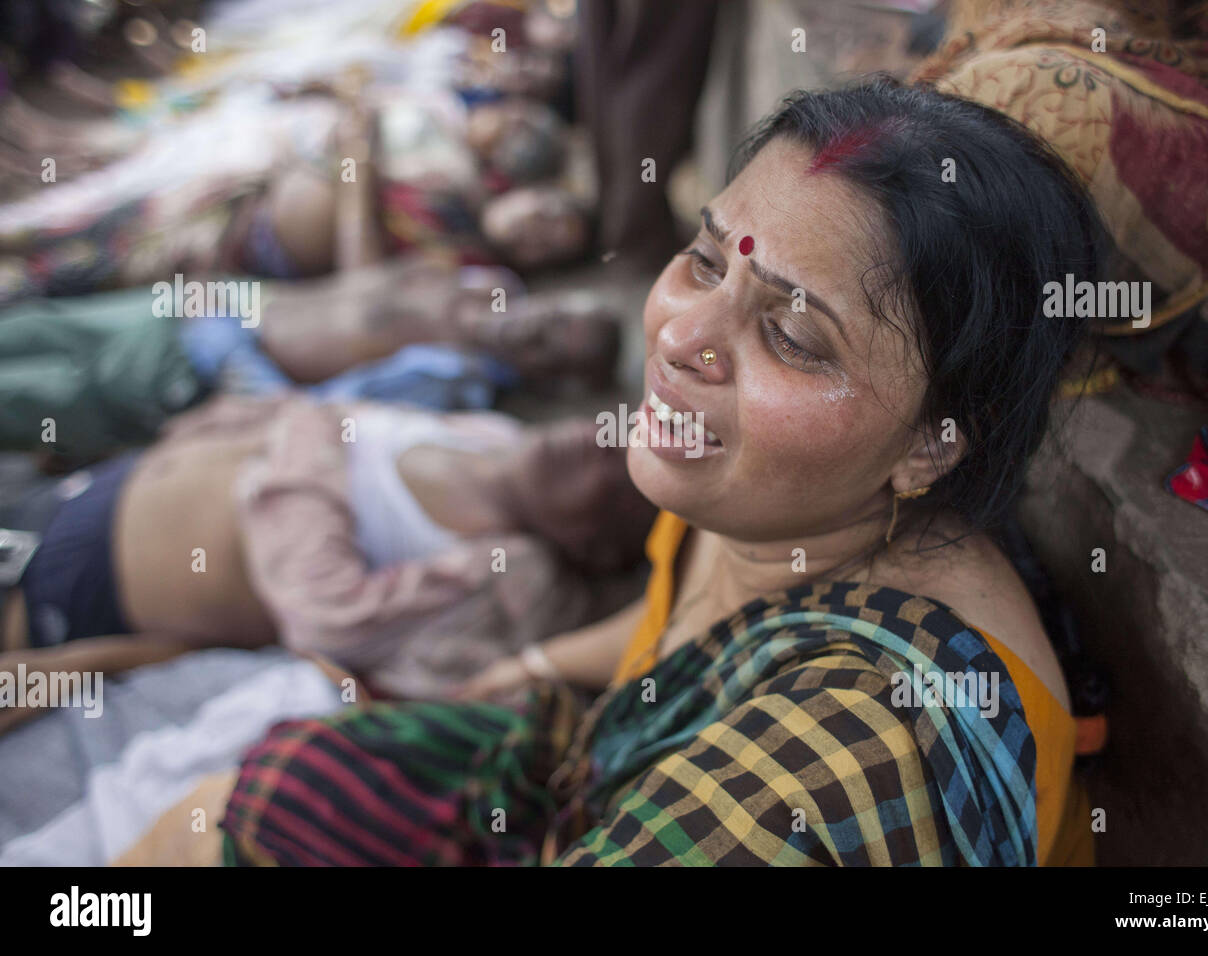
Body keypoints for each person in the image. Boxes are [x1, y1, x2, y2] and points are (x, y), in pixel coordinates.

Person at [221, 76, 1106, 866]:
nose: (680, 339)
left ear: (933, 443)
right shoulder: (765, 497)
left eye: (793, 336)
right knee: (287, 780)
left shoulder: (853, 752)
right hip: (587, 766)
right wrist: (529, 665)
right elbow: (677, 620)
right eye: (705, 263)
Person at [0, 393, 655, 701]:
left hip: (71, 597)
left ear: (592, 547)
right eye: (617, 431)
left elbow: (324, 616)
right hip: (70, 498)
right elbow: (298, 410)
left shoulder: (489, 568)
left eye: (615, 479)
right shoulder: (488, 428)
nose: (595, 442)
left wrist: (306, 432)